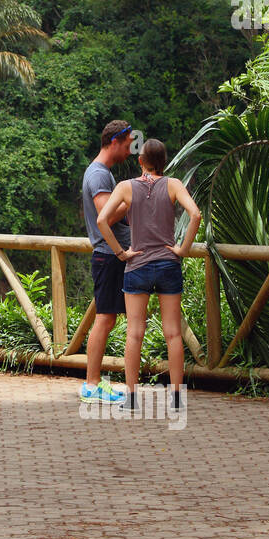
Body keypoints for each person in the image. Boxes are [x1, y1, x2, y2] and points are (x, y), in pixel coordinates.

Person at [96, 138, 202, 412]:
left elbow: (101, 221)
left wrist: (120, 252)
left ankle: (131, 399)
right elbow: (195, 215)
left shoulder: (126, 187)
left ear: (140, 161)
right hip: (168, 264)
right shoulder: (174, 185)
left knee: (134, 333)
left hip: (137, 265)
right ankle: (177, 399)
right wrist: (183, 249)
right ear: (163, 161)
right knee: (173, 334)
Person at [78, 120, 134, 402]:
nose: (129, 151)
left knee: (108, 318)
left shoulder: (103, 174)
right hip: (108, 255)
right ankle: (91, 383)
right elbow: (106, 216)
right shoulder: (99, 175)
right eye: (127, 145)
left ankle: (94, 382)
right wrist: (133, 198)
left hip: (112, 255)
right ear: (114, 142)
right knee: (104, 318)